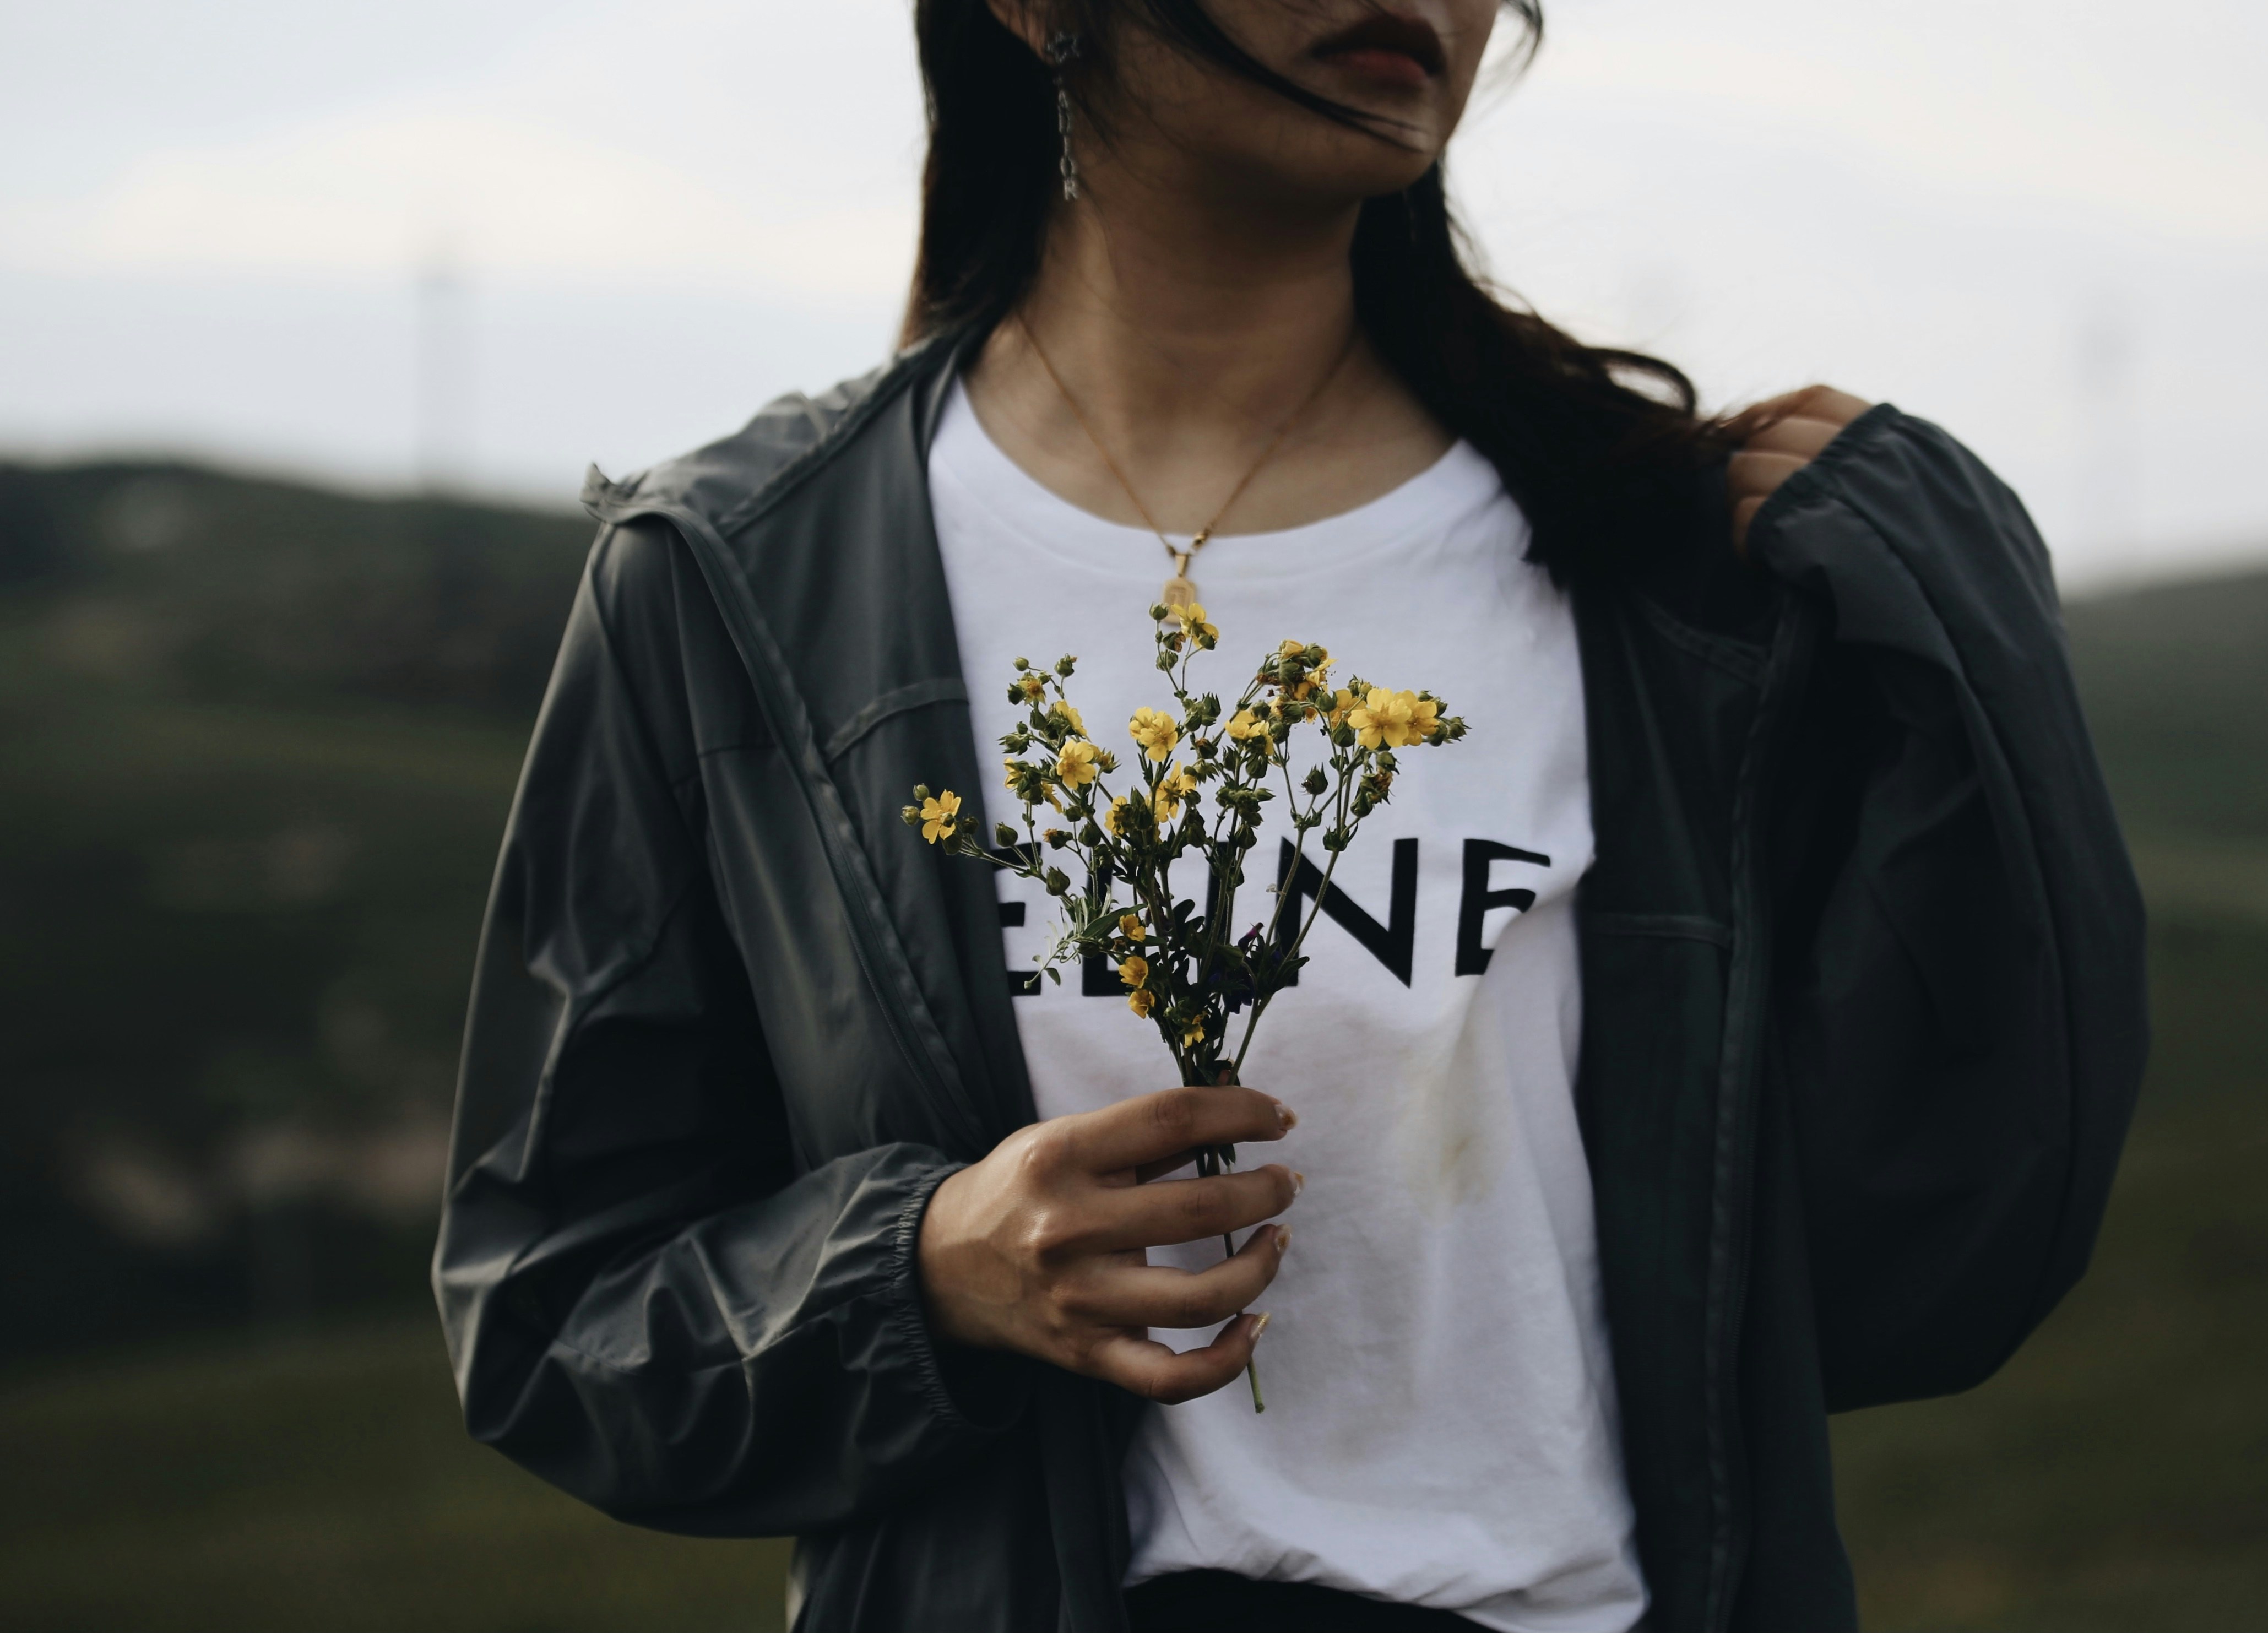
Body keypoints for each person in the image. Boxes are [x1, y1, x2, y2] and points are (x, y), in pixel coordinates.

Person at [432, 3, 2149, 1630]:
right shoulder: (739, 585)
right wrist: (927, 1269)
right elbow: (551, 1307)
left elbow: (1942, 1240)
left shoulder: (1660, 568)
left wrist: (1965, 630)